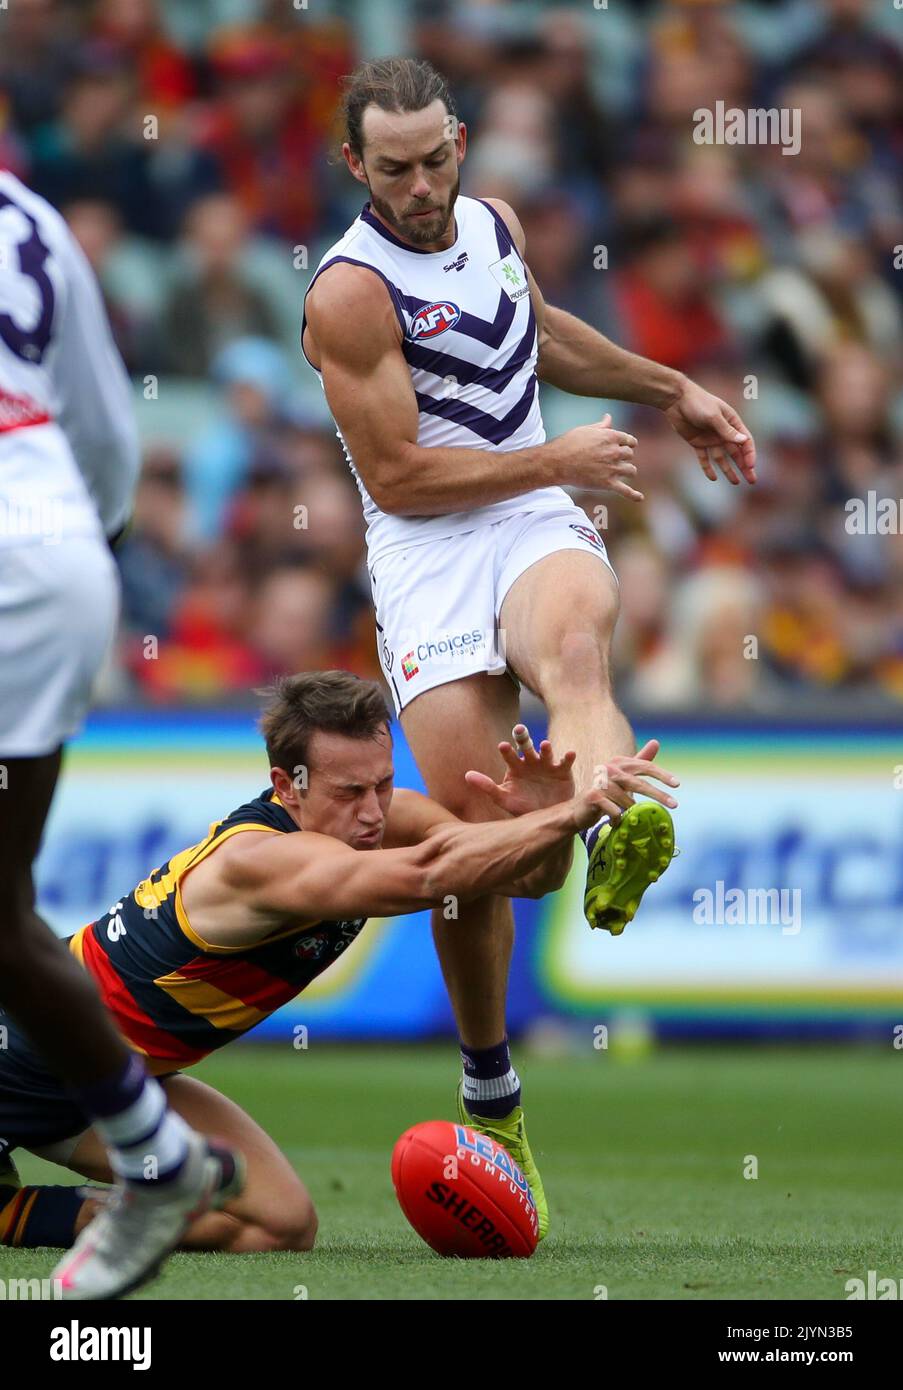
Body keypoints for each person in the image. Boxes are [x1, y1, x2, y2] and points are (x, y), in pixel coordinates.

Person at [300, 57, 756, 1238]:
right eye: (390, 168)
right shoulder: (348, 295)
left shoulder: (494, 220)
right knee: (492, 858)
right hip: (430, 550)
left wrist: (674, 390)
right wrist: (555, 458)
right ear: (356, 166)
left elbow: (538, 335)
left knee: (578, 653)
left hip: (530, 514)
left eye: (434, 156)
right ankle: (491, 1085)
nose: (418, 184)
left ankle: (620, 814)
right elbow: (398, 473)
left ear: (460, 140)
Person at [0, 670, 678, 1253]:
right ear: (285, 786)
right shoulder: (261, 863)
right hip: (20, 1064)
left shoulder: (383, 817)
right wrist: (570, 817)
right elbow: (430, 875)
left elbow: (516, 881)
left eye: (382, 784)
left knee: (280, 1226)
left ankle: (24, 1213)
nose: (372, 813)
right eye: (348, 793)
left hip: (101, 1077)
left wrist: (542, 820)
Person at [0, 168, 243, 1299]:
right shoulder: (31, 219)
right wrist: (84, 562)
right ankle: (157, 1158)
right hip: (53, 561)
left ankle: (153, 1158)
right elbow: (101, 430)